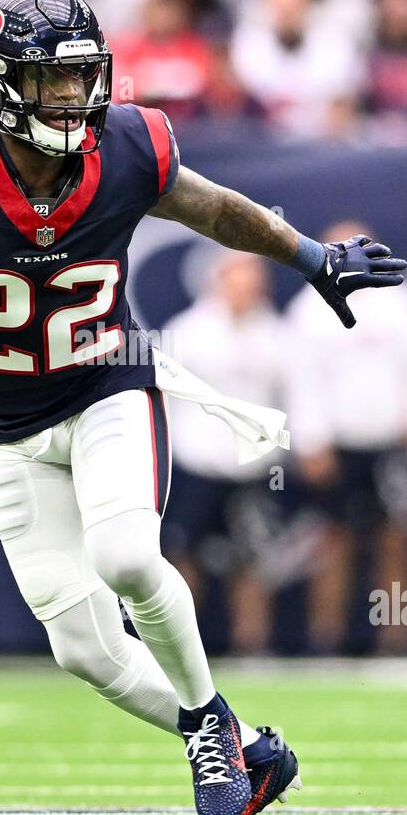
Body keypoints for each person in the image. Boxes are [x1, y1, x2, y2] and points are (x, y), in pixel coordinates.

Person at [0, 0, 407, 815]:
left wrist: (310, 259)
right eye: (49, 80)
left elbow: (217, 210)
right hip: (10, 427)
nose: (73, 98)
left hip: (112, 385)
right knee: (80, 647)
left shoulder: (130, 143)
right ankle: (236, 740)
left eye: (80, 76)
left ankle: (211, 735)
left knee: (128, 556)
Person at [286, 220, 407, 653]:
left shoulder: (403, 302)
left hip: (391, 440)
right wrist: (311, 439)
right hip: (337, 443)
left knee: (398, 536)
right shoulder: (308, 308)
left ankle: (396, 641)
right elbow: (301, 379)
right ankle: (326, 640)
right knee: (332, 540)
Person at [164, 252, 289, 654]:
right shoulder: (186, 333)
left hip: (251, 469)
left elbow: (293, 399)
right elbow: (161, 399)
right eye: (241, 274)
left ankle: (251, 646)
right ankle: (179, 650)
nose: (249, 284)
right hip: (195, 465)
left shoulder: (275, 334)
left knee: (253, 560)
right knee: (183, 560)